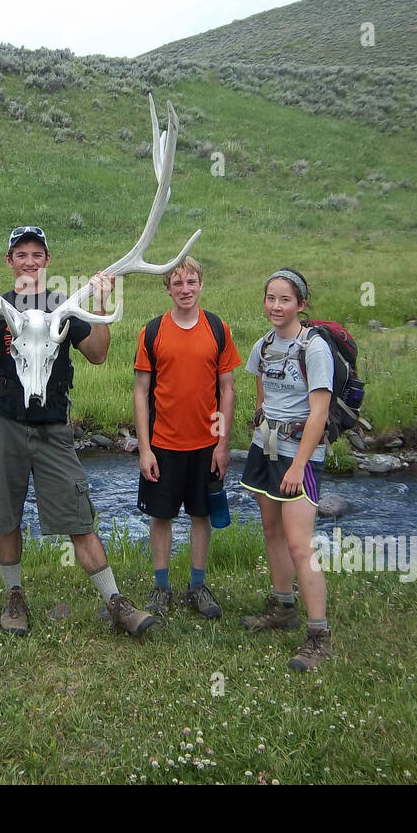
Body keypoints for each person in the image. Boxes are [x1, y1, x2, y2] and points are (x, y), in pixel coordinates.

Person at [0, 225, 156, 638]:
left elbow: (97, 354)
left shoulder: (67, 307)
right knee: (4, 516)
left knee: (78, 517)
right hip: (5, 422)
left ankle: (114, 601)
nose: (29, 261)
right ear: (9, 262)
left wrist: (99, 303)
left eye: (36, 254)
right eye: (21, 254)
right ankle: (14, 597)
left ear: (47, 261)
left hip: (53, 428)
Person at [133, 256, 240, 619]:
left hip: (206, 445)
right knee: (160, 516)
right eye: (177, 284)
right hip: (163, 444)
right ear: (166, 288)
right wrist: (145, 449)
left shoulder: (217, 328)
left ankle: (197, 586)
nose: (185, 290)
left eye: (191, 282)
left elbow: (227, 390)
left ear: (201, 284)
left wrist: (222, 444)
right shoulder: (151, 331)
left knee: (200, 515)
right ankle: (161, 587)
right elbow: (140, 391)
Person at [239, 268, 333, 671]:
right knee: (272, 532)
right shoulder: (262, 346)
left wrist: (297, 464)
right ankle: (282, 606)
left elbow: (320, 411)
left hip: (300, 458)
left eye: (285, 299)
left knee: (300, 545)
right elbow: (261, 396)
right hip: (265, 451)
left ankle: (319, 635)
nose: (276, 306)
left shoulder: (314, 349)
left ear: (301, 304)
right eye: (270, 298)